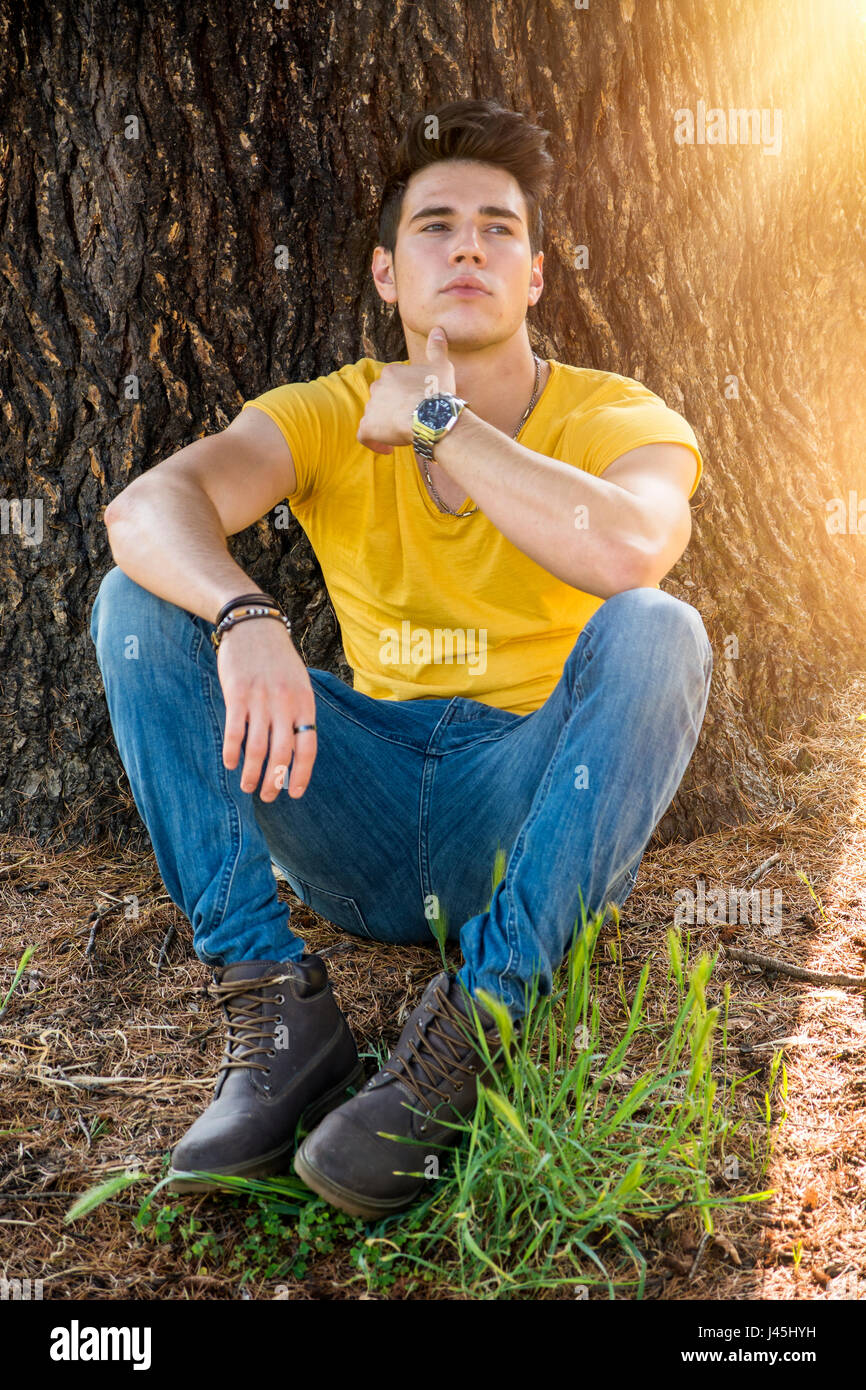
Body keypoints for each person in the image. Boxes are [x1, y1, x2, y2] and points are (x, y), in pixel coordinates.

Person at [89, 98, 713, 1222]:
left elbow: (627, 547)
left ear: (532, 277)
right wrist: (243, 614)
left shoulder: (617, 415)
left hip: (521, 812)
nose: (466, 245)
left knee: (660, 630)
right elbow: (147, 508)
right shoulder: (329, 411)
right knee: (139, 601)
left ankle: (473, 1032)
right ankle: (275, 1012)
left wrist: (438, 420)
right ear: (387, 274)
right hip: (356, 808)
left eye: (496, 228)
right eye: (434, 226)